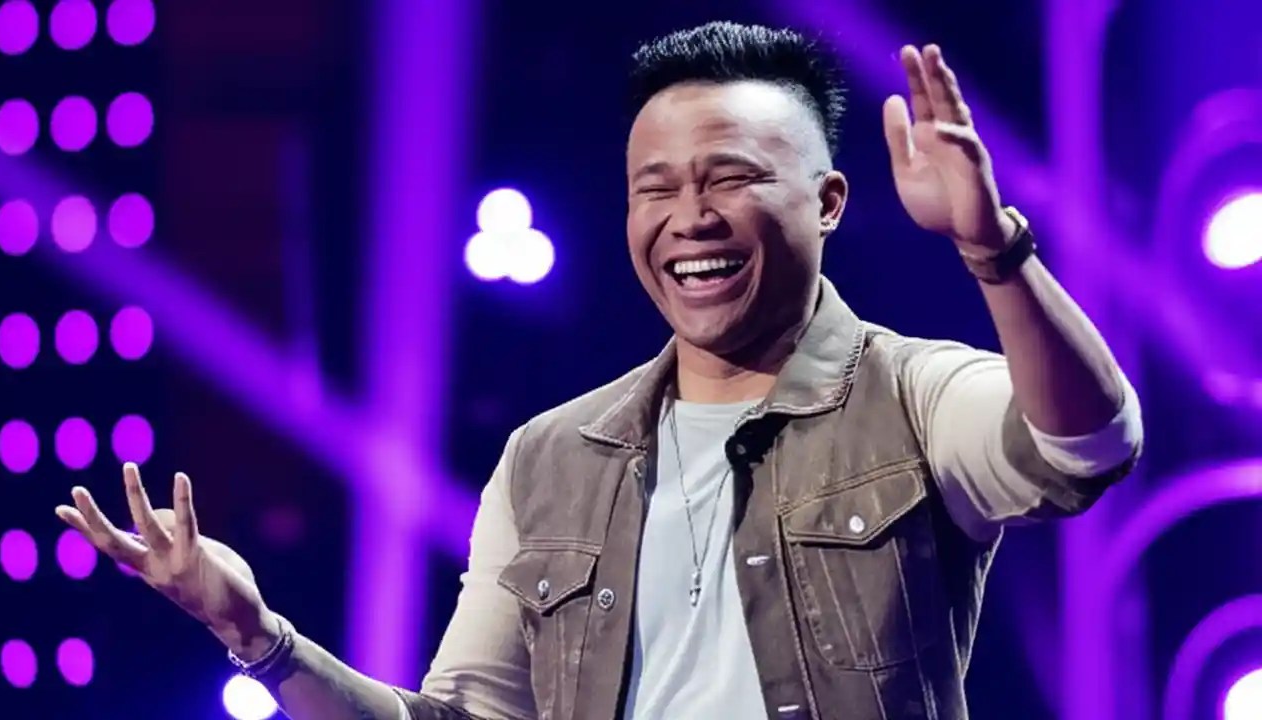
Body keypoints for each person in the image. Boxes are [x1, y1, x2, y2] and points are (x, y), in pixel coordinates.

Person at [57, 20, 1143, 720]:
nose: (688, 219)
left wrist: (990, 247)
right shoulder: (549, 457)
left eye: (729, 178)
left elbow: (1083, 445)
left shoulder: (909, 393)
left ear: (825, 203)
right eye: (654, 188)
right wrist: (254, 636)